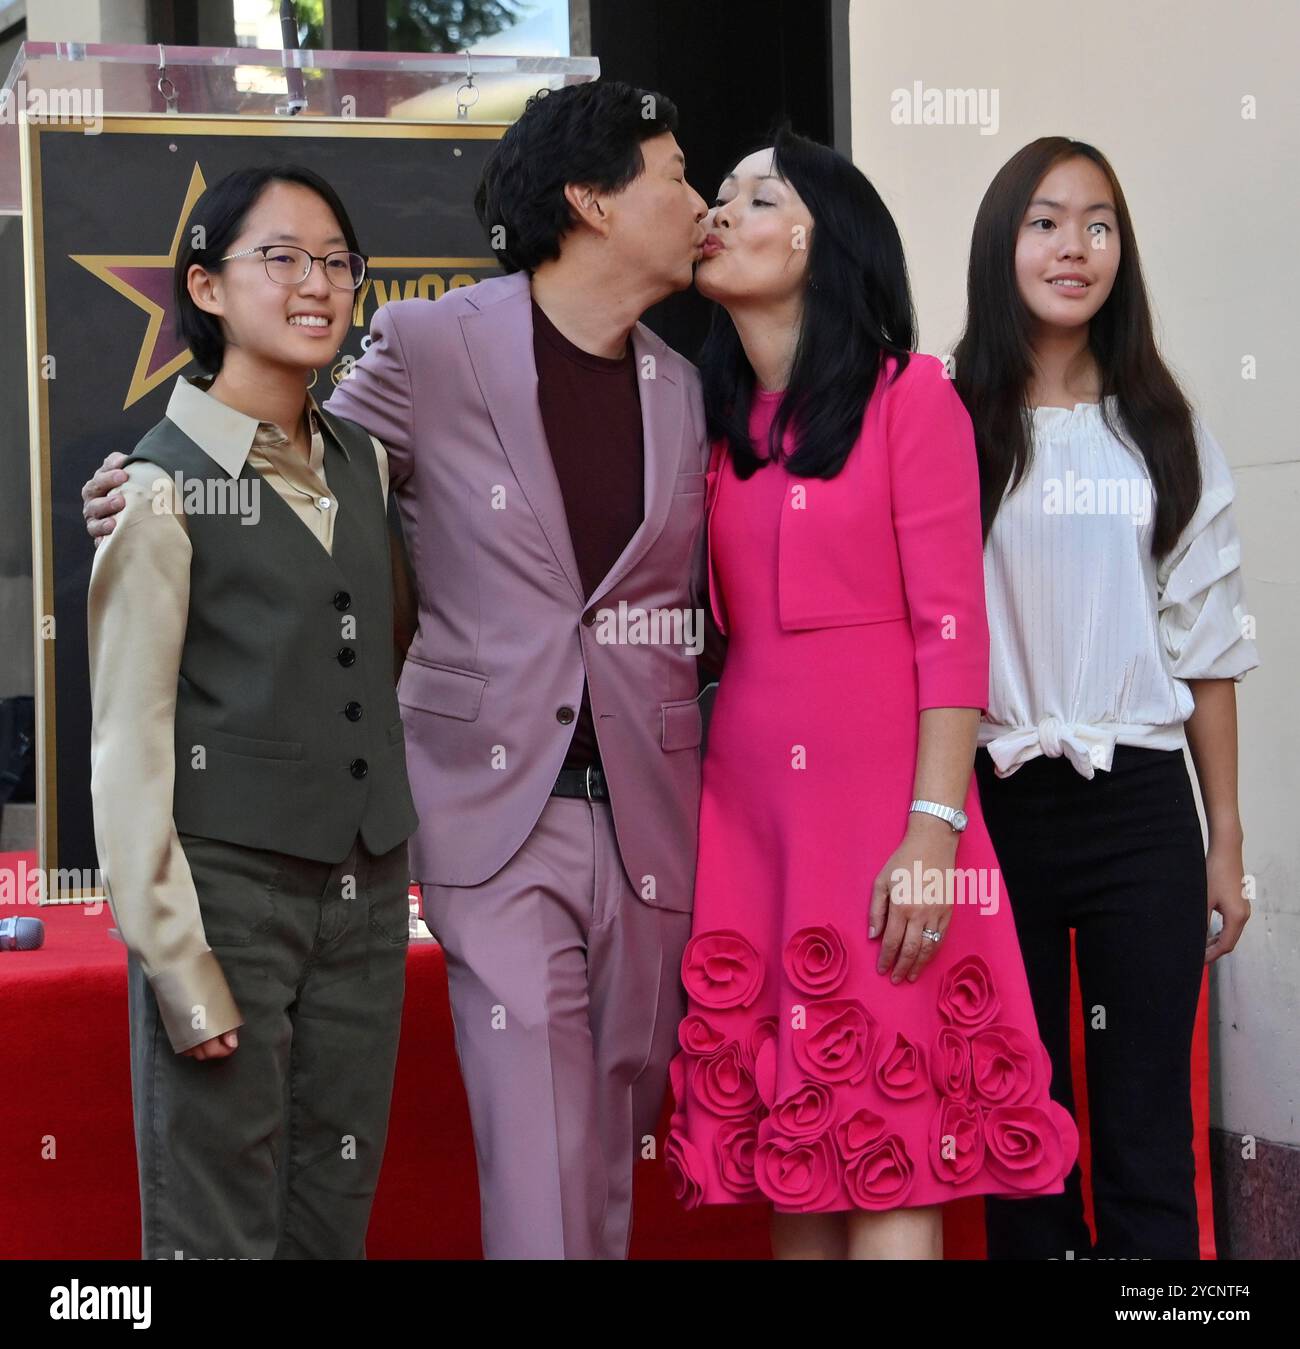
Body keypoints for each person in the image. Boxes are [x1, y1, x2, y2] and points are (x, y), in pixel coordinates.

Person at [85, 79, 716, 1261]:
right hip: (457, 817)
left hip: (604, 829)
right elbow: (269, 449)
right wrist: (141, 483)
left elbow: (331, 476)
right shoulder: (429, 348)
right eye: (677, 172)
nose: (317, 284)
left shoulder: (675, 388)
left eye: (337, 262)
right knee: (288, 1194)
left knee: (513, 1167)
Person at [661, 127, 1079, 1259]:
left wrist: (930, 832)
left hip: (889, 817)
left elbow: (954, 631)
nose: (717, 211)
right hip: (750, 818)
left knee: (892, 1138)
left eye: (751, 197)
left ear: (814, 235)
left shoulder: (911, 398)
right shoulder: (702, 418)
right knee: (799, 1159)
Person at [87, 165, 419, 1259]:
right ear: (208, 287)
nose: (317, 283)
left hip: (363, 896)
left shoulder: (366, 459)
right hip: (227, 900)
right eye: (280, 257)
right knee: (215, 1225)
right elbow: (128, 746)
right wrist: (179, 965)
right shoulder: (157, 485)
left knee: (332, 1216)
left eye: (335, 260)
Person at [952, 137, 1258, 1259]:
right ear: (1001, 242)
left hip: (1139, 809)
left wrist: (1224, 841)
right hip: (993, 805)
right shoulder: (945, 424)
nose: (1072, 246)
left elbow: (1208, 647)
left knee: (1143, 1134)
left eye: (1097, 223)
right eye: (1043, 220)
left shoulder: (1164, 432)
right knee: (1019, 1133)